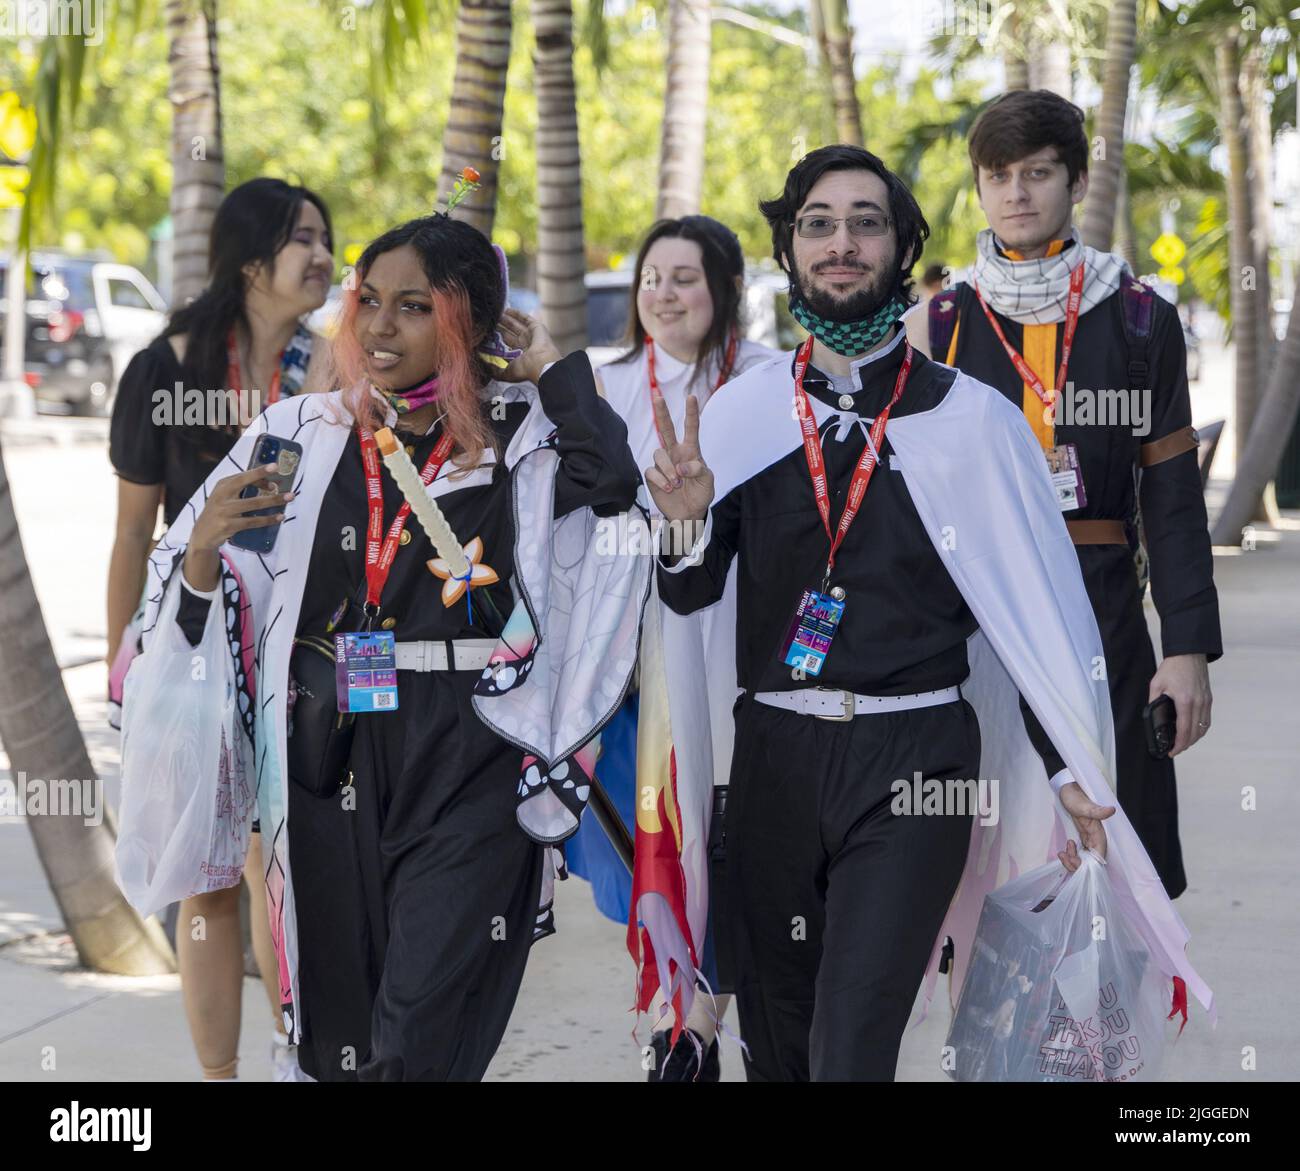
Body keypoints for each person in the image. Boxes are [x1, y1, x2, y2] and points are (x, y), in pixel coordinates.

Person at [645, 144, 1211, 1080]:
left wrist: (1074, 767)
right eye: (817, 224)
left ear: (903, 247)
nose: (840, 242)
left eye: (866, 222)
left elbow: (1031, 614)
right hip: (773, 764)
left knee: (853, 1037)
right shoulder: (744, 414)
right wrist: (683, 524)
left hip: (916, 769)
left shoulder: (974, 422)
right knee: (781, 1046)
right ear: (789, 251)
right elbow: (691, 595)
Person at [117, 211, 648, 1081]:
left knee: (418, 1028)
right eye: (369, 301)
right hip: (330, 751)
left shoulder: (525, 431)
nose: (377, 326)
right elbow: (197, 587)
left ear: (470, 320)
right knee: (340, 1030)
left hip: (475, 752)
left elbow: (617, 498)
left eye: (413, 306)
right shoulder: (307, 432)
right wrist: (207, 547)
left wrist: (554, 369)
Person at [907, 90, 1221, 899]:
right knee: (975, 864)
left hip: (1104, 617)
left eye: (1038, 172)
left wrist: (1186, 651)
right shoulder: (936, 326)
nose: (1016, 192)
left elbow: (1174, 496)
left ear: (1076, 181)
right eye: (998, 174)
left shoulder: (1142, 318)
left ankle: (1094, 1031)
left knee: (1115, 862)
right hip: (972, 623)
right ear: (978, 187)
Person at [107, 177, 333, 1081]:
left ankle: (296, 1061)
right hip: (194, 644)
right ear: (250, 262)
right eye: (303, 240)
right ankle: (221, 1077)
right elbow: (132, 531)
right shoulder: (165, 370)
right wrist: (130, 665)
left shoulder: (339, 363)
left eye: (326, 238)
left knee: (277, 865)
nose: (323, 256)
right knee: (207, 873)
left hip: (302, 653)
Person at [574, 214, 774, 1080]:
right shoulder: (602, 384)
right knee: (641, 838)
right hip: (629, 663)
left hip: (737, 649)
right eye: (652, 277)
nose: (663, 293)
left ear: (724, 288)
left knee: (722, 838)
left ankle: (691, 1026)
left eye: (685, 277)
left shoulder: (771, 385)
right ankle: (677, 1020)